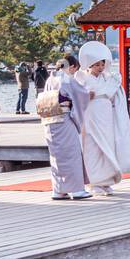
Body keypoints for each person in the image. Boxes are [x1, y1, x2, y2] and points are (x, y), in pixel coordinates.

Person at [75, 41, 130, 195]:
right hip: (90, 116)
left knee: (108, 146)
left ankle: (106, 181)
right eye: (97, 64)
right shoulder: (82, 78)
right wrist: (86, 96)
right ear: (89, 65)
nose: (100, 67)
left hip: (106, 116)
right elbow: (75, 97)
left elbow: (116, 97)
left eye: (102, 64)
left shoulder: (109, 79)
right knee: (93, 147)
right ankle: (94, 182)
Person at [37, 53, 90, 200]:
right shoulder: (67, 80)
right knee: (71, 154)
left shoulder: (50, 79)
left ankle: (58, 190)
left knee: (56, 156)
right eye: (75, 69)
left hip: (49, 121)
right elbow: (83, 96)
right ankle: (77, 190)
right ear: (71, 67)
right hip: (64, 119)